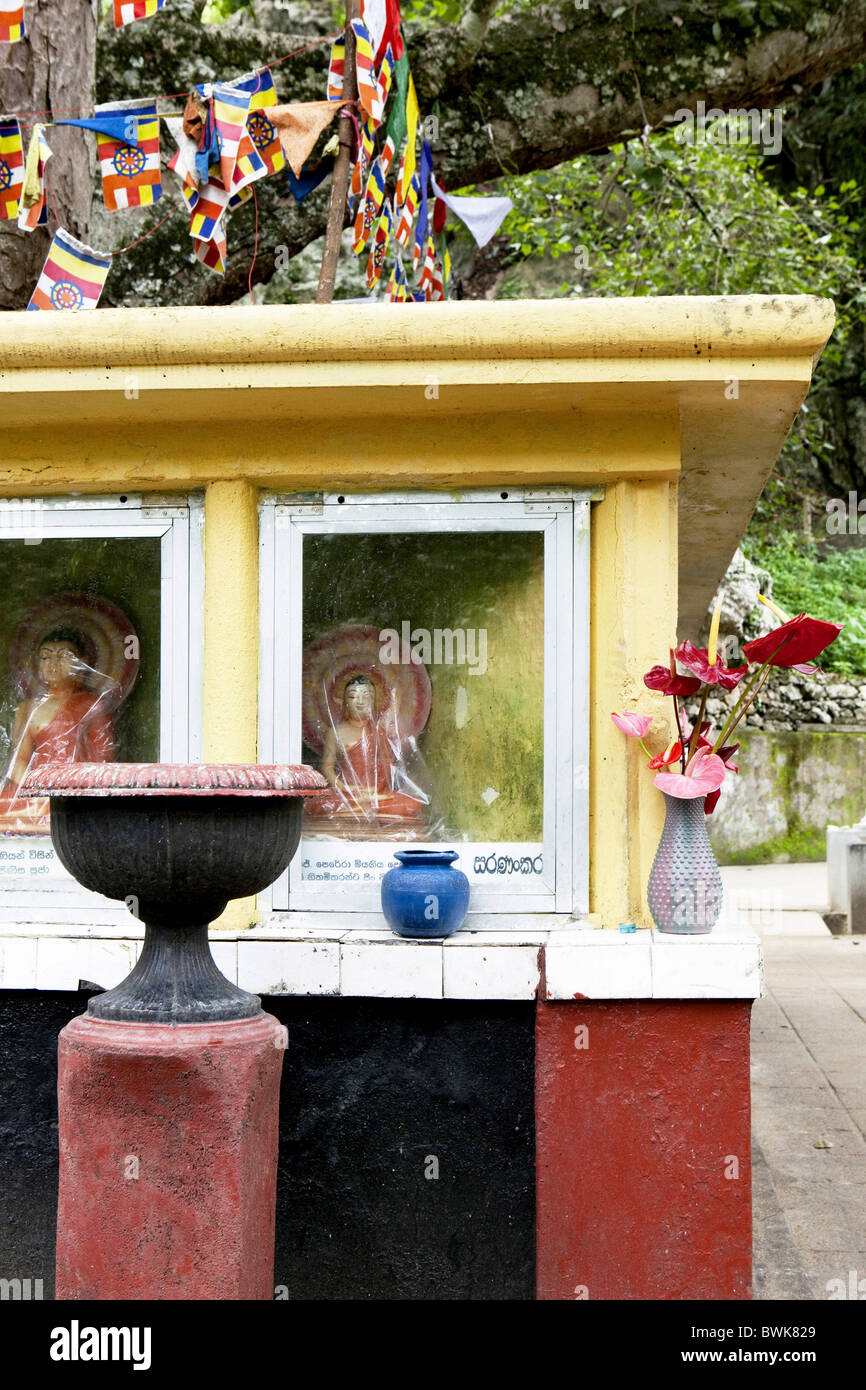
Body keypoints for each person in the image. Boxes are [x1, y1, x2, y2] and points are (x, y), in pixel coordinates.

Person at [0, 628, 119, 834]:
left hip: (75, 792)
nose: (53, 663)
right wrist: (35, 792)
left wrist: (67, 792)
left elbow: (104, 759)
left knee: (73, 816)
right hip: (33, 792)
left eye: (64, 656)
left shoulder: (93, 705)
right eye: (46, 656)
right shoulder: (27, 708)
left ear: (82, 663)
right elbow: (19, 761)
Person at [306, 674, 427, 834]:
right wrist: (346, 788)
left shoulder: (380, 731)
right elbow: (327, 768)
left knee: (412, 804)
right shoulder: (335, 733)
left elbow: (388, 764)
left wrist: (376, 794)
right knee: (319, 807)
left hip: (379, 796)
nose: (360, 702)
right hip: (349, 794)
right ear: (343, 702)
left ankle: (369, 813)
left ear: (374, 702)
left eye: (367, 696)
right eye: (353, 696)